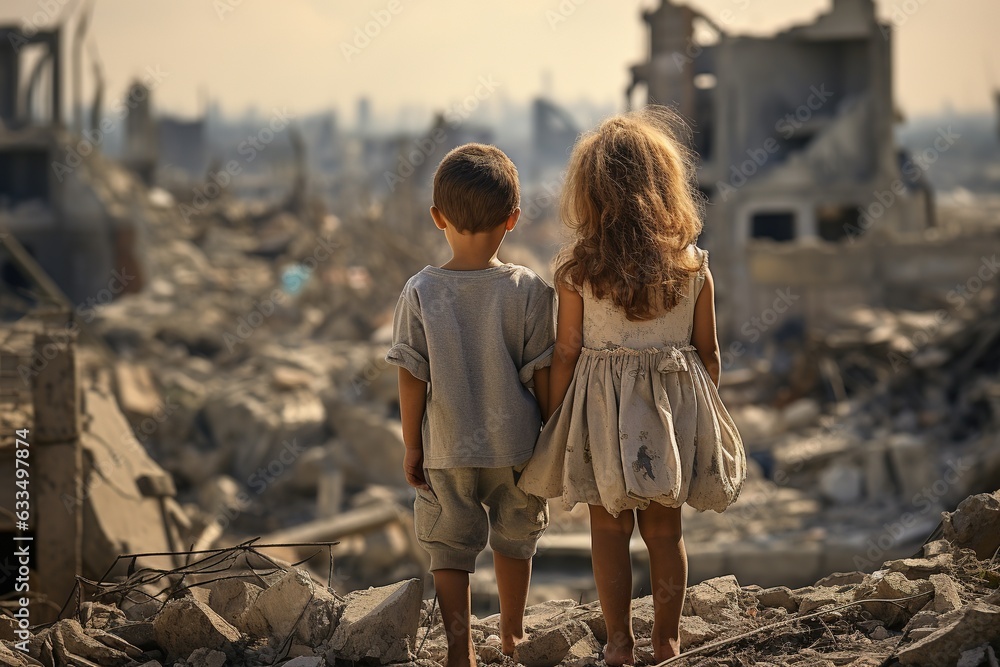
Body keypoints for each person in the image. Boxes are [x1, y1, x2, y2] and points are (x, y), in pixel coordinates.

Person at [518, 107, 746, 665]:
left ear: (589, 195)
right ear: (666, 187)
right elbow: (708, 352)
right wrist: (698, 413)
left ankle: (619, 643)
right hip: (670, 417)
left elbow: (567, 351)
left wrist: (555, 416)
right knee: (666, 534)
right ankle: (666, 641)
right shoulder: (694, 266)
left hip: (602, 417)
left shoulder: (577, 270)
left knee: (608, 531)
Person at [386, 143, 554, 667]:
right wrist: (549, 436)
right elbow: (541, 373)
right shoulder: (528, 289)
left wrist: (412, 444)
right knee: (515, 537)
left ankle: (460, 650)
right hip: (517, 447)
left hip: (447, 445)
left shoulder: (420, 291)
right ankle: (512, 635)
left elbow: (412, 376)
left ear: (437, 217)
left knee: (450, 549)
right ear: (513, 219)